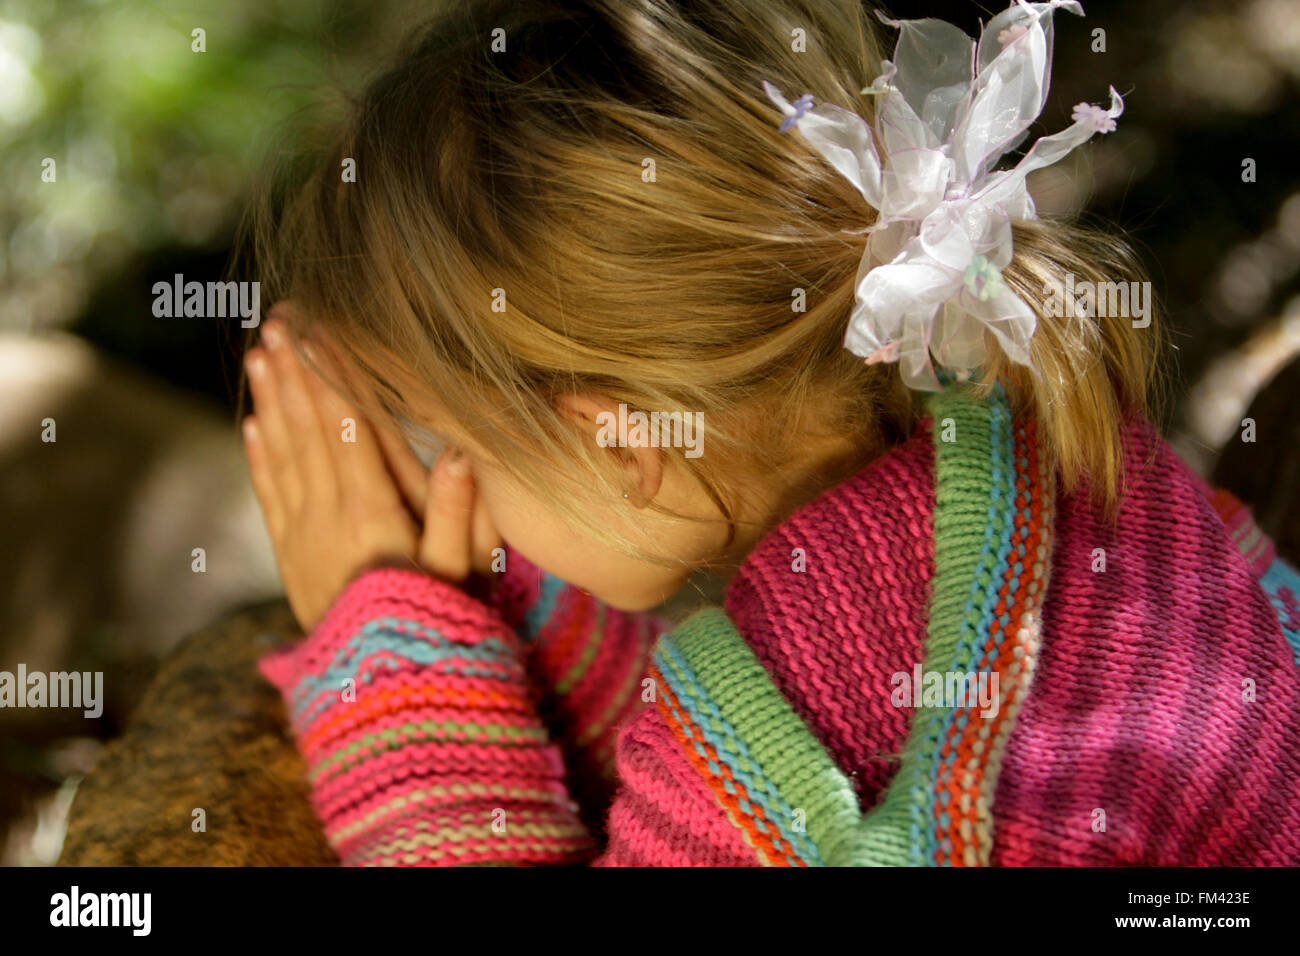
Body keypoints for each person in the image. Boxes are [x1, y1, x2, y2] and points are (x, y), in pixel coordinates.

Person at [240, 0, 1300, 866]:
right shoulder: (1049, 460)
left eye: (454, 443)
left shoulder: (796, 713)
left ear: (621, 445)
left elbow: (760, 760)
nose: (455, 481)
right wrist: (539, 628)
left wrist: (398, 695)